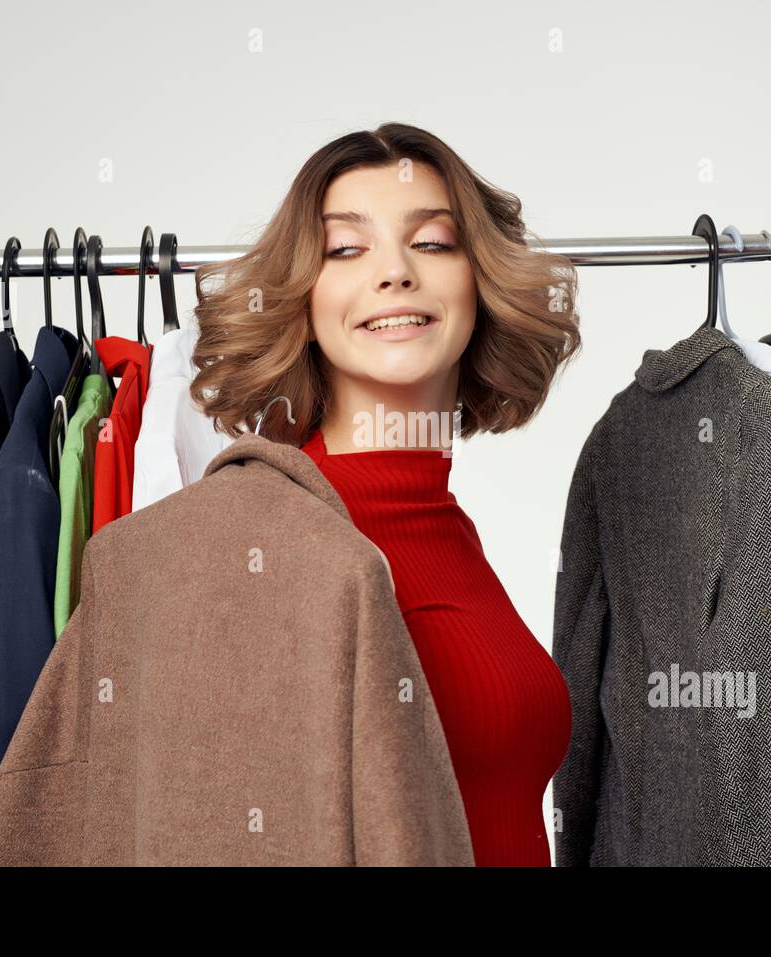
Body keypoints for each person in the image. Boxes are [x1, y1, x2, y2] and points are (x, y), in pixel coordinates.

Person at [192, 122, 583, 866]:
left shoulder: (450, 528)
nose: (394, 272)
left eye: (432, 241)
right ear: (303, 300)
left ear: (478, 280)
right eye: (346, 249)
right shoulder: (271, 540)